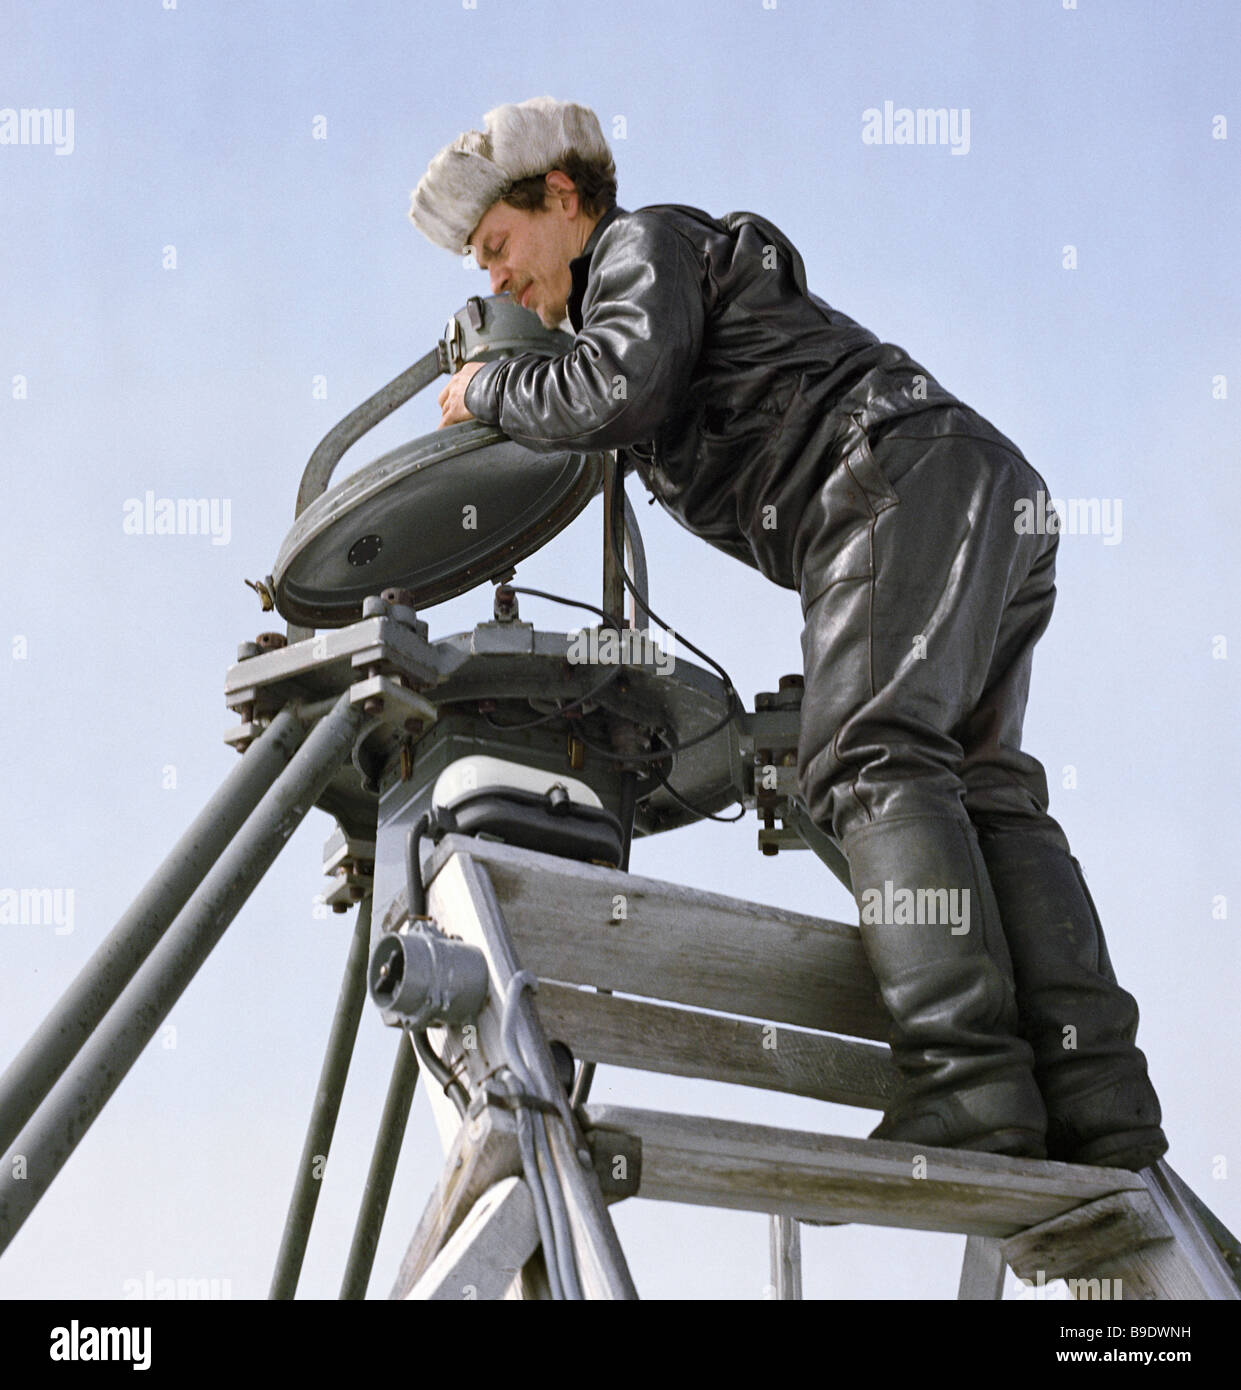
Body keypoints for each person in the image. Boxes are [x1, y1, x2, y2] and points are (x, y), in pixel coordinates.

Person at [409, 96, 1168, 1172]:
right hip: (970, 489)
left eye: (497, 246)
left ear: (565, 201)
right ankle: (1097, 1104)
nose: (492, 277)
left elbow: (612, 386)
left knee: (862, 760)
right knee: (983, 789)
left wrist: (489, 384)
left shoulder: (641, 243)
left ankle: (966, 1078)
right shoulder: (654, 281)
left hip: (890, 483)